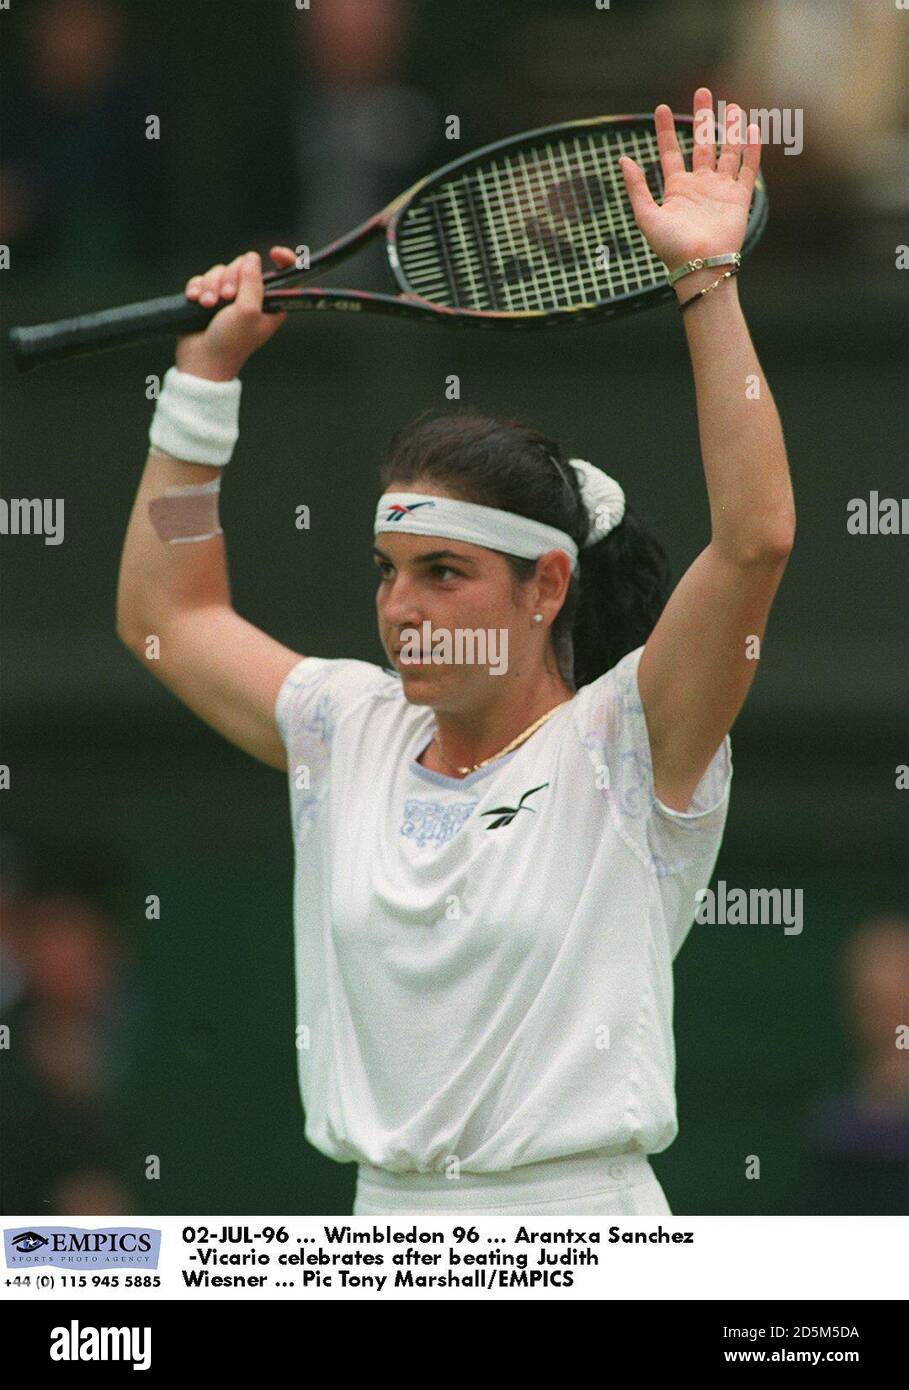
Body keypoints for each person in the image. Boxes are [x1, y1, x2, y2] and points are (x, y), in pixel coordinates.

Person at [116, 90, 794, 1216]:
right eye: (389, 572)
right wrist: (201, 385)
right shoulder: (349, 725)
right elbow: (169, 616)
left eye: (444, 572)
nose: (402, 608)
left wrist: (705, 281)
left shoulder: (632, 736)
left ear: (547, 584)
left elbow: (757, 537)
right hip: (383, 1233)